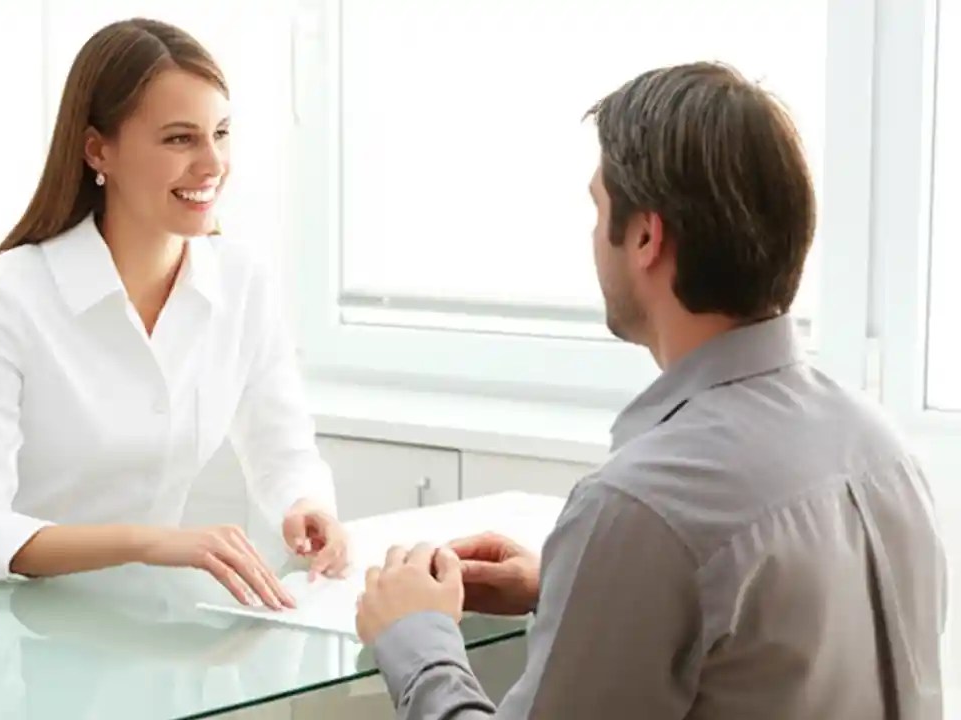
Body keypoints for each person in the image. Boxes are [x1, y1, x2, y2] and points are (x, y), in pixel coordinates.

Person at [355, 62, 947, 719]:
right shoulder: (882, 450)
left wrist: (416, 641)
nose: (590, 235)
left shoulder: (643, 506)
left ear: (645, 235)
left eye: (598, 207)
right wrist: (570, 589)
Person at [0, 18, 347, 610]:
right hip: (4, 635)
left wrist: (306, 507)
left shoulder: (242, 282)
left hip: (138, 623)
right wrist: (149, 543)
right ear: (99, 148)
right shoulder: (3, 298)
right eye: (180, 139)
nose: (212, 165)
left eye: (221, 133)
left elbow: (284, 453)